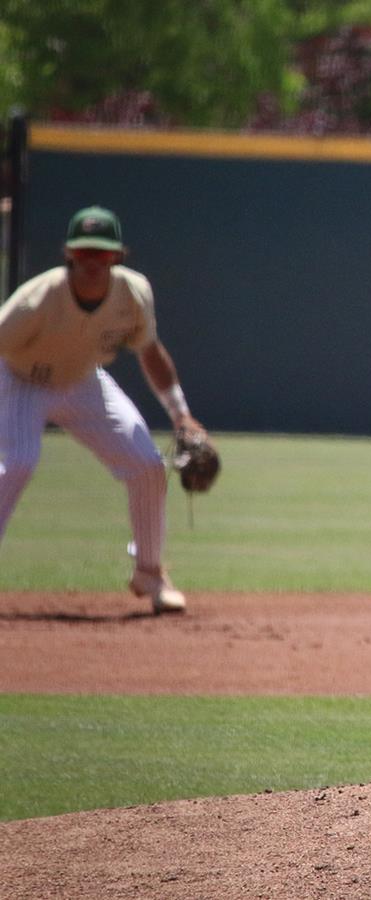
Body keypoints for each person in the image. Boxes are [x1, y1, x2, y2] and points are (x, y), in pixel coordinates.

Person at [0, 206, 206, 614]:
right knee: (17, 463)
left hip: (82, 381)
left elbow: (149, 351)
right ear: (69, 254)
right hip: (22, 380)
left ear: (117, 256)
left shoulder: (133, 292)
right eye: (84, 252)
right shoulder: (37, 299)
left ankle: (151, 574)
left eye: (102, 252)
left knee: (147, 465)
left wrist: (181, 414)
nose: (93, 261)